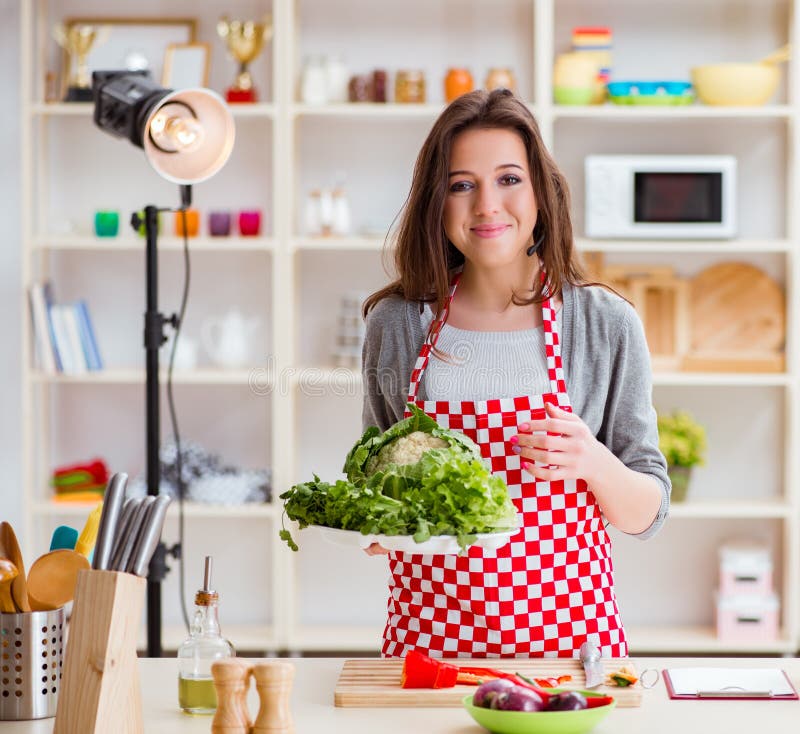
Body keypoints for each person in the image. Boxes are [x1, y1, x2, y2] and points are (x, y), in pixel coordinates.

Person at [360, 88, 670, 659]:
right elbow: (375, 470)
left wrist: (592, 460)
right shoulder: (398, 323)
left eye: (508, 179)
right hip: (429, 649)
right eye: (461, 184)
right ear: (438, 202)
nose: (486, 205)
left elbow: (647, 514)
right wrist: (382, 515)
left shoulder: (605, 324)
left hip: (569, 653)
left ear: (540, 193)